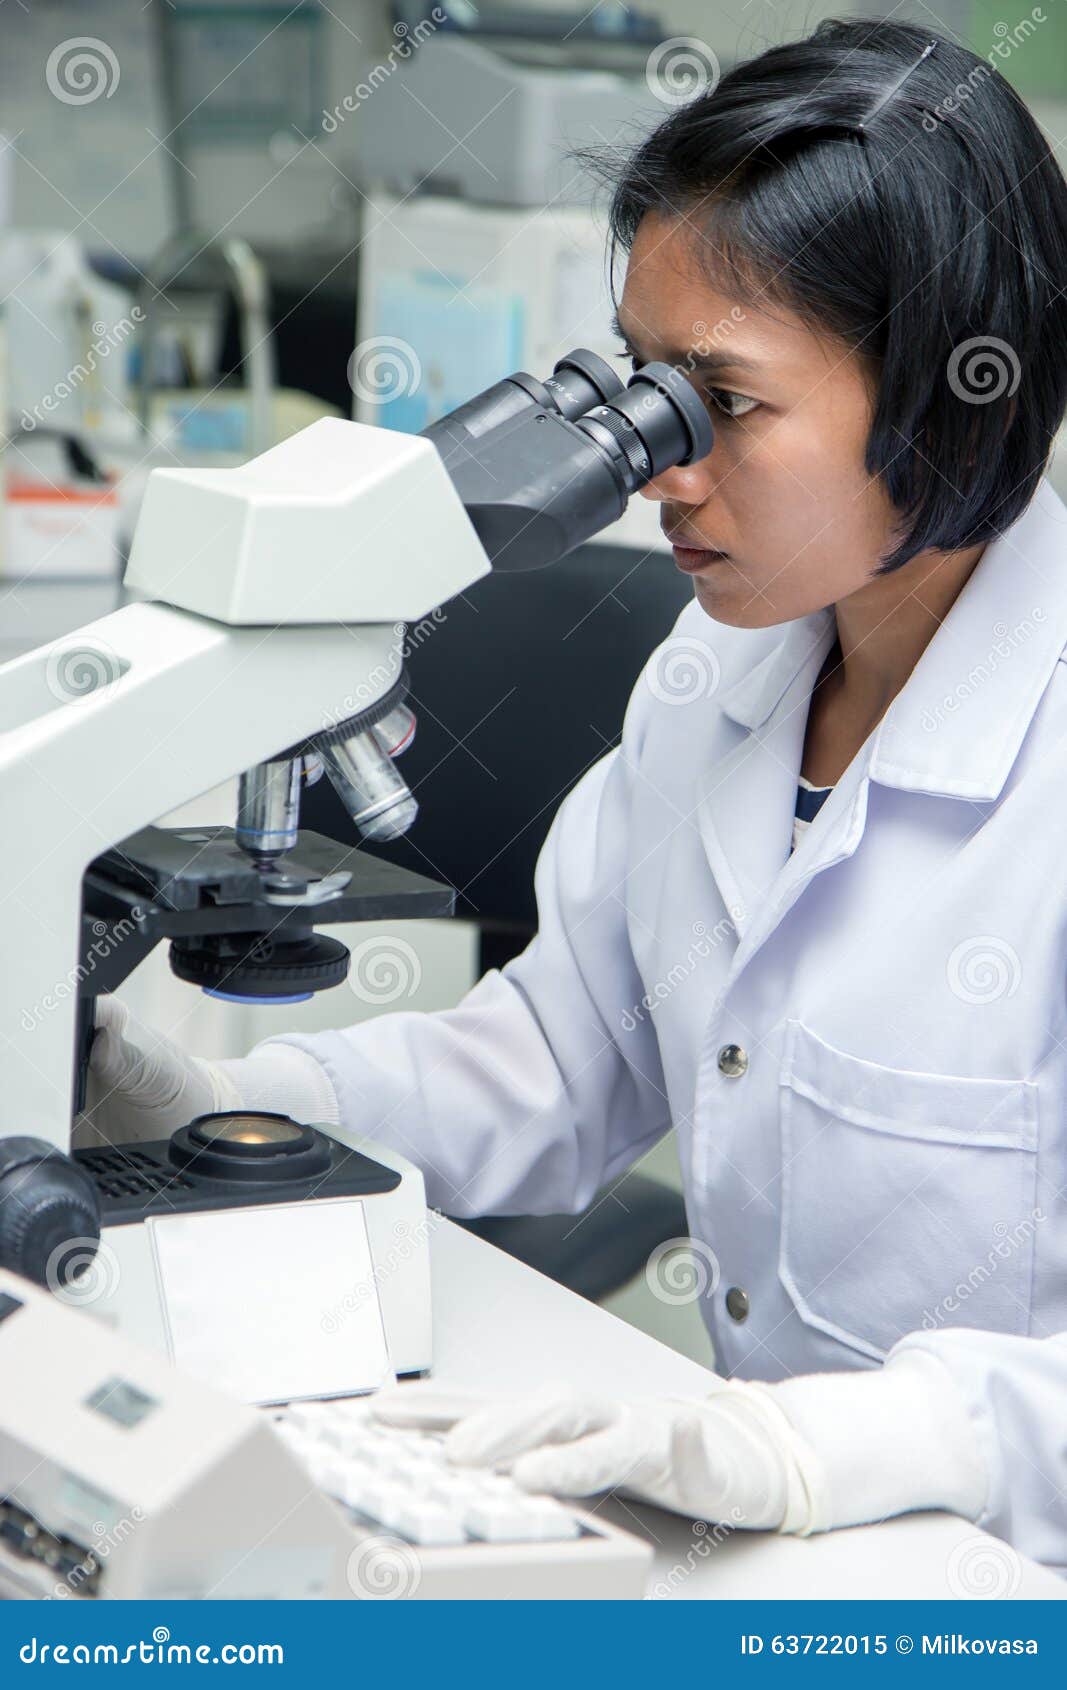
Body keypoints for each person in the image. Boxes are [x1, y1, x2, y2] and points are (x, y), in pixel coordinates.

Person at [84, 18, 1067, 1569]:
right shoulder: (716, 675)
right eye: (640, 386)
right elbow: (559, 1053)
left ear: (955, 399)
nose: (659, 467)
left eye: (724, 406)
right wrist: (235, 1117)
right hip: (776, 1554)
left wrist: (809, 1442)